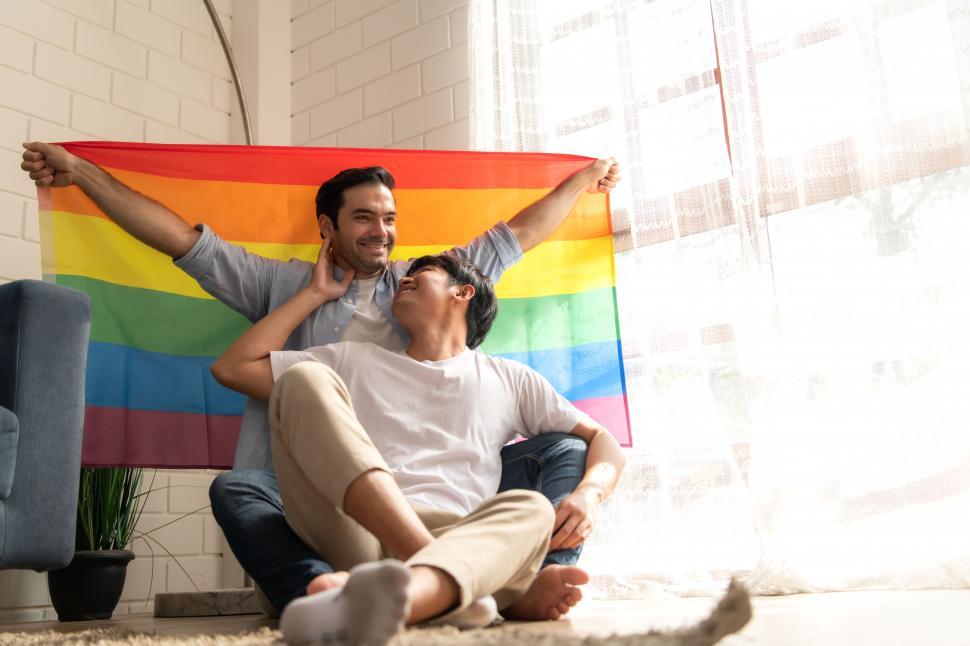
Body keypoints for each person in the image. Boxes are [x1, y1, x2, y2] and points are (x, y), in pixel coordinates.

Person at [20, 142, 621, 613]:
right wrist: (81, 175)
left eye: (388, 218)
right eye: (363, 218)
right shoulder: (281, 287)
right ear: (327, 228)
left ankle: (525, 579)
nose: (381, 232)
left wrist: (585, 177)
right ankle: (361, 588)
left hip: (436, 492)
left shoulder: (424, 280)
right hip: (324, 492)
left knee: (563, 449)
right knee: (238, 489)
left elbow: (521, 234)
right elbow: (179, 240)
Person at [210, 252, 626, 644]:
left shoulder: (508, 378)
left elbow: (601, 441)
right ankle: (471, 590)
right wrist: (315, 293)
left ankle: (361, 599)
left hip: (462, 537)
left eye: (421, 272)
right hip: (359, 534)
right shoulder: (353, 360)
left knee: (539, 496)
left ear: (463, 292)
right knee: (267, 439)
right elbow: (233, 368)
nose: (403, 278)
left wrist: (591, 493)